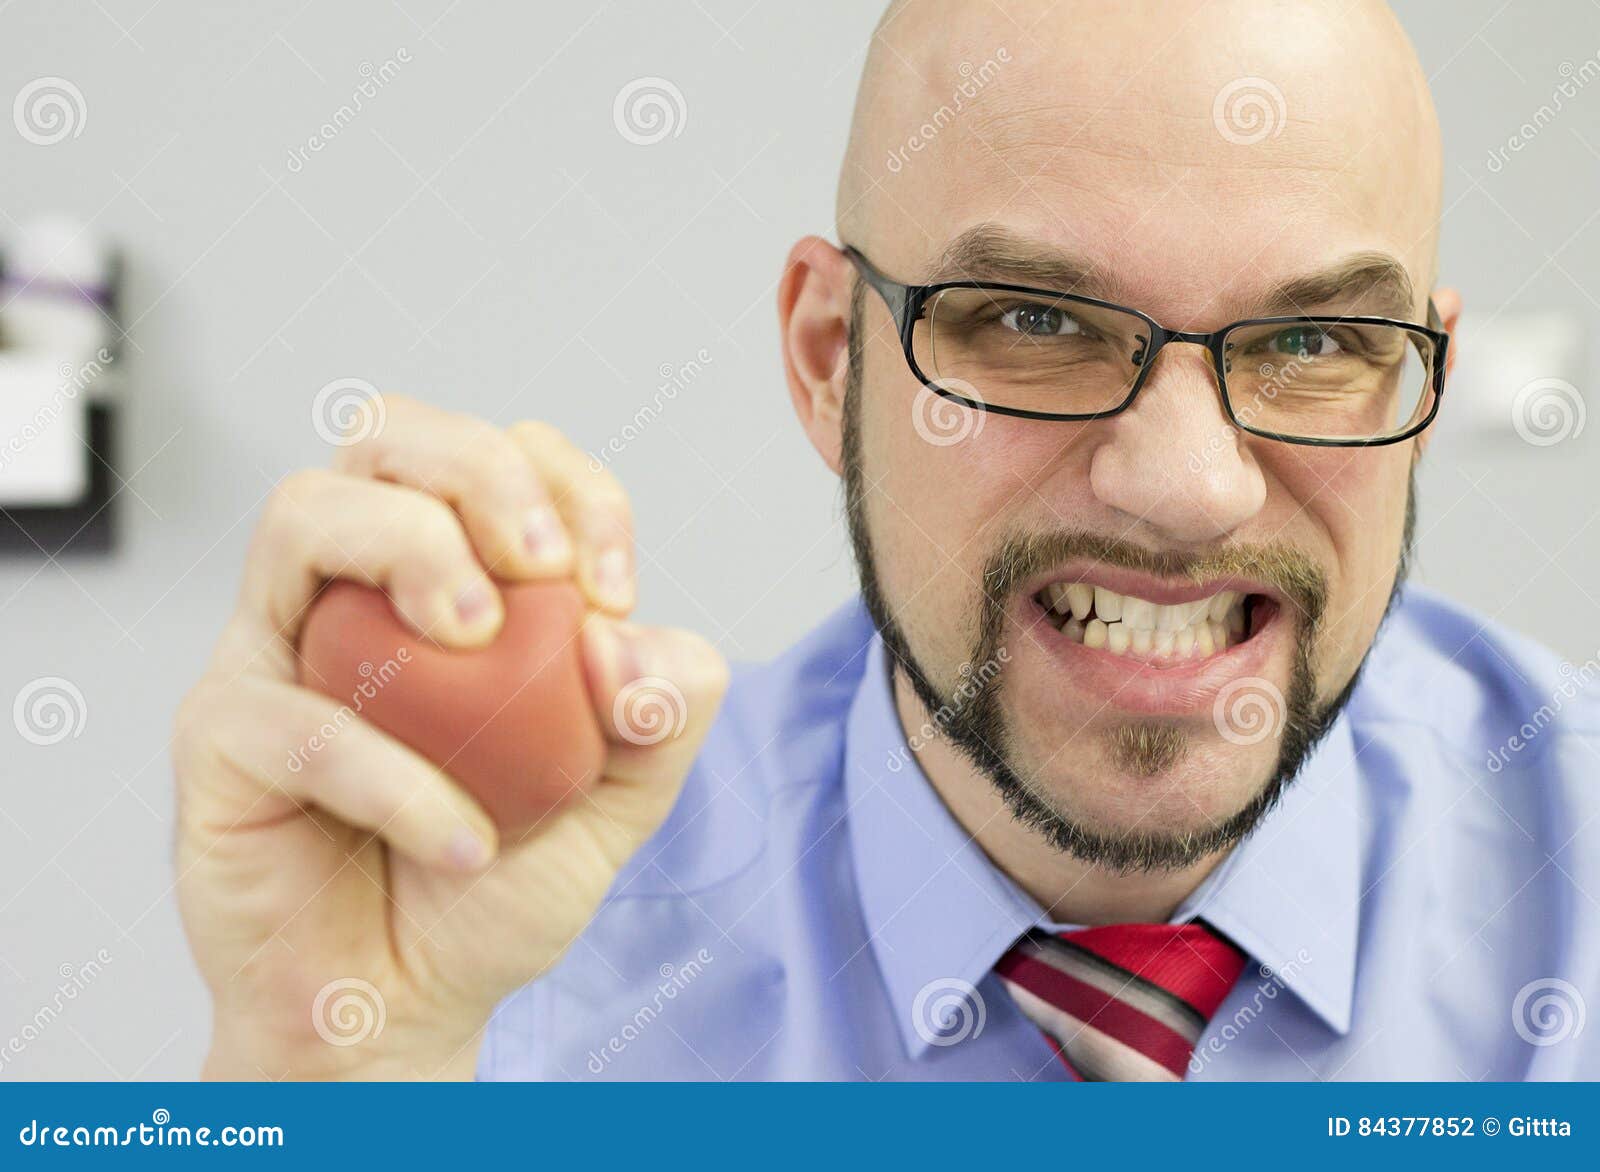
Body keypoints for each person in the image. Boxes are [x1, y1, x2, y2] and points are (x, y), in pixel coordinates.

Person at [173, 0, 1600, 1080]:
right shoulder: (525, 956)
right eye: (1033, 322)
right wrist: (335, 1071)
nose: (1185, 485)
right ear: (826, 360)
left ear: (1420, 395)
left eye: (1311, 340)